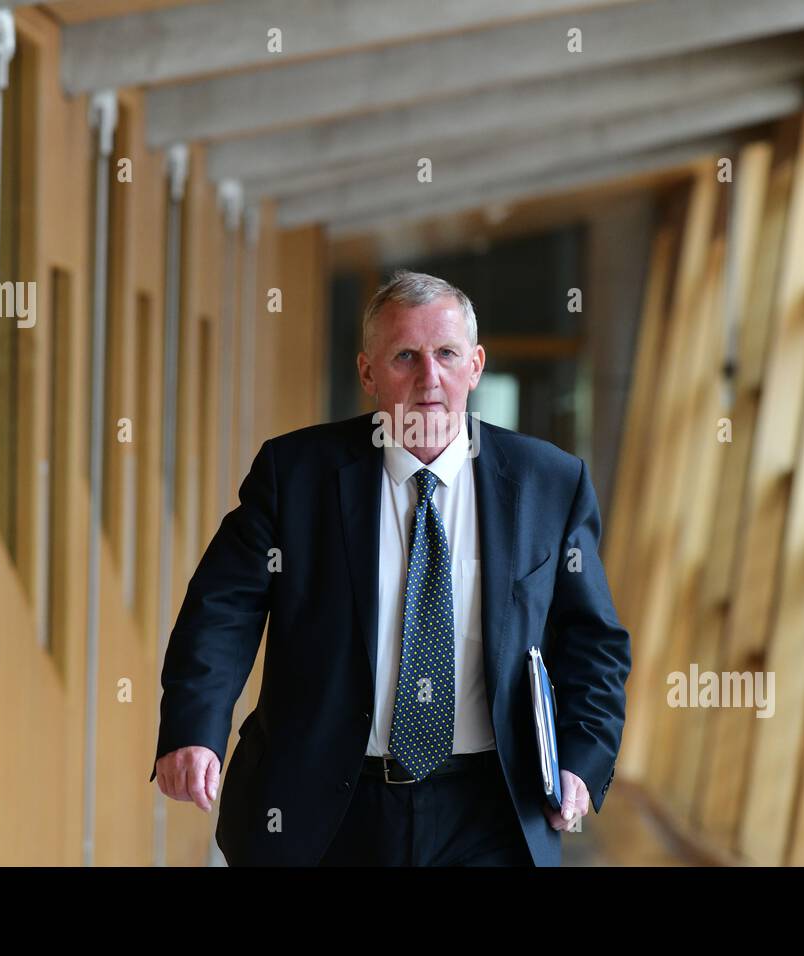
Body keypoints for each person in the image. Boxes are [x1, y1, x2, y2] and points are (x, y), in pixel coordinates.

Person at [150, 269, 631, 866]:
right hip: (326, 808)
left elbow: (594, 640)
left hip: (491, 811)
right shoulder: (295, 474)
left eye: (447, 354)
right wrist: (195, 728)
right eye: (405, 355)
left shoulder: (547, 482)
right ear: (368, 372)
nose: (430, 378)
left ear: (476, 366)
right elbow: (221, 611)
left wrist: (580, 759)